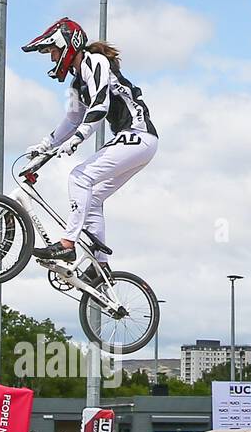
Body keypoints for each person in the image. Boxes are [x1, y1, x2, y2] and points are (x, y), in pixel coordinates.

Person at [22, 18, 158, 279]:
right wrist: (45, 146)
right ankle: (100, 267)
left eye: (52, 51)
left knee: (79, 177)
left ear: (67, 46)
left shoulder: (95, 62)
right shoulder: (76, 83)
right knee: (92, 199)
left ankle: (67, 245)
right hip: (136, 143)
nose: (52, 59)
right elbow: (72, 120)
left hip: (139, 135)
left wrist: (80, 137)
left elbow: (100, 104)